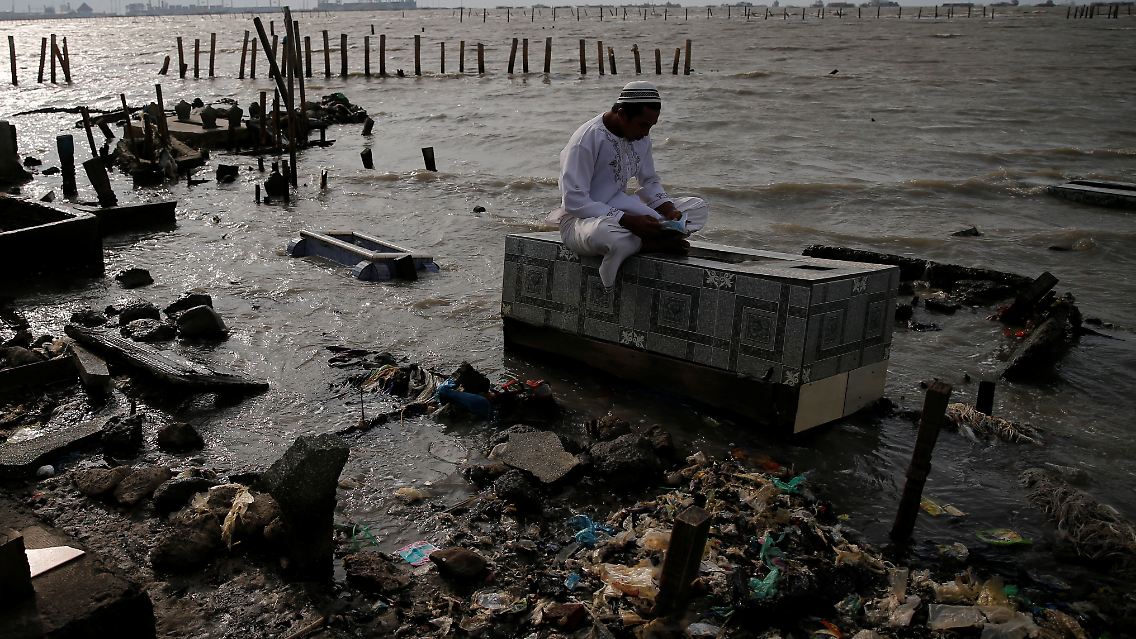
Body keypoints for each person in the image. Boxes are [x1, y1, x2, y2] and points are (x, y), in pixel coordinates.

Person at [547, 81, 709, 287]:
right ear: (622, 115)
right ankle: (651, 241)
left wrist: (669, 211)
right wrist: (628, 221)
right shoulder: (586, 140)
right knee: (607, 234)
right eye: (643, 125)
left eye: (651, 126)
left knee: (696, 208)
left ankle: (648, 240)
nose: (646, 133)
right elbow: (574, 201)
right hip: (581, 221)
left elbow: (649, 181)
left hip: (623, 209)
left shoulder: (639, 137)